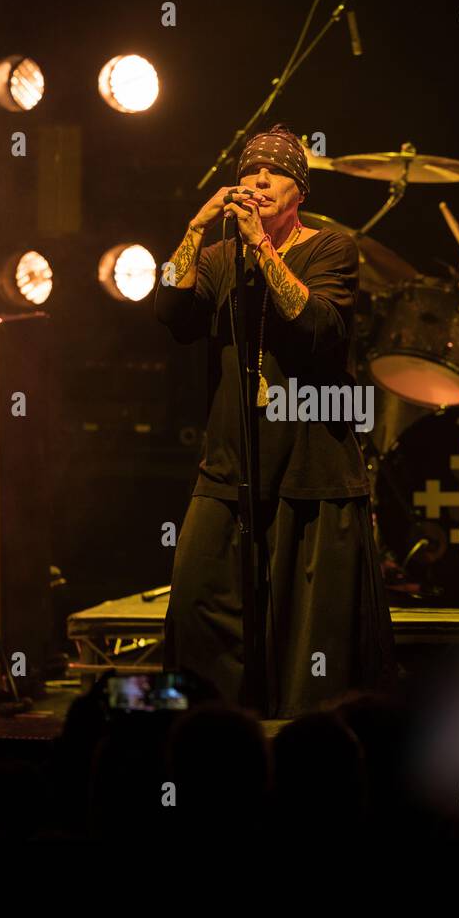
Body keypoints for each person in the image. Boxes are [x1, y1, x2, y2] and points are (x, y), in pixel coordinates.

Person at [154, 124, 398, 719]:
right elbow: (169, 310)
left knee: (306, 626)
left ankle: (301, 745)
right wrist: (194, 228)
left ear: (301, 190)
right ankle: (211, 731)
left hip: (310, 460)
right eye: (250, 172)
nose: (259, 181)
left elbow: (316, 328)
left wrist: (261, 248)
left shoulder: (332, 248)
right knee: (194, 596)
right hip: (232, 460)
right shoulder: (217, 257)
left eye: (276, 172)